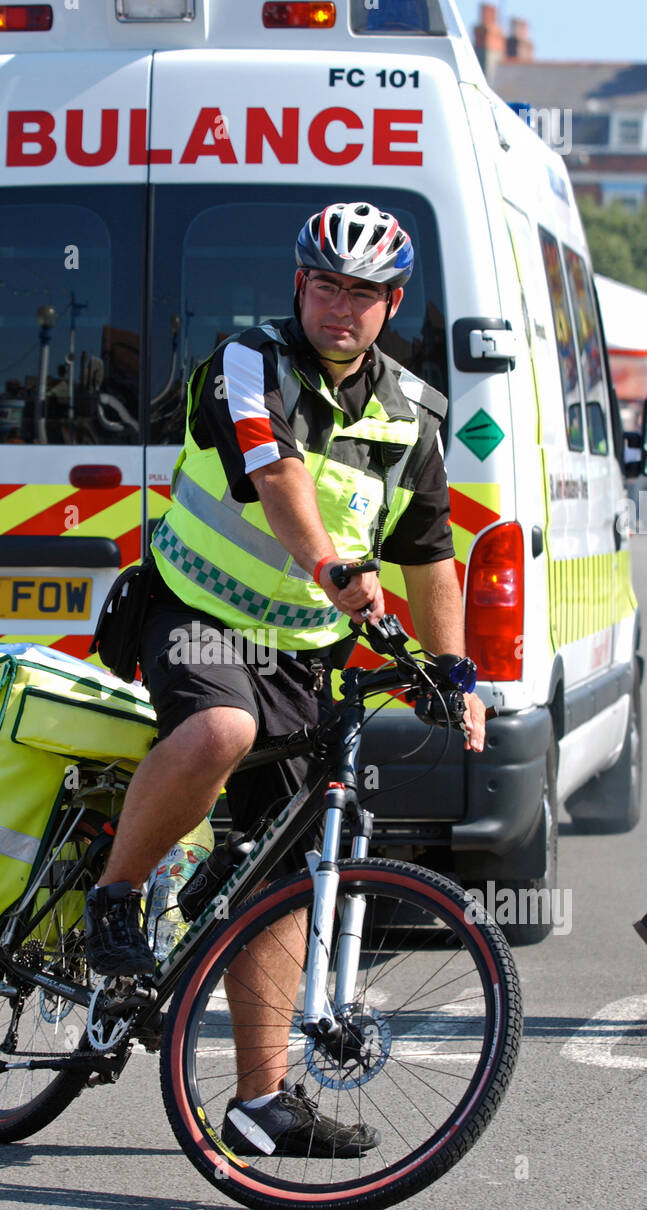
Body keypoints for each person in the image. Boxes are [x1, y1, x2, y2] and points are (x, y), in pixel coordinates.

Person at [84, 201, 486, 1157]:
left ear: (391, 305)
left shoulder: (416, 410)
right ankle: (115, 895)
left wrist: (451, 671)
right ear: (298, 286)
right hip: (193, 615)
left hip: (303, 650)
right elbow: (277, 478)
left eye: (361, 293)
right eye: (324, 285)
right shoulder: (247, 362)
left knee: (284, 877)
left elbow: (430, 554)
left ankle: (259, 1101)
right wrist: (334, 570)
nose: (339, 307)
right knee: (219, 733)